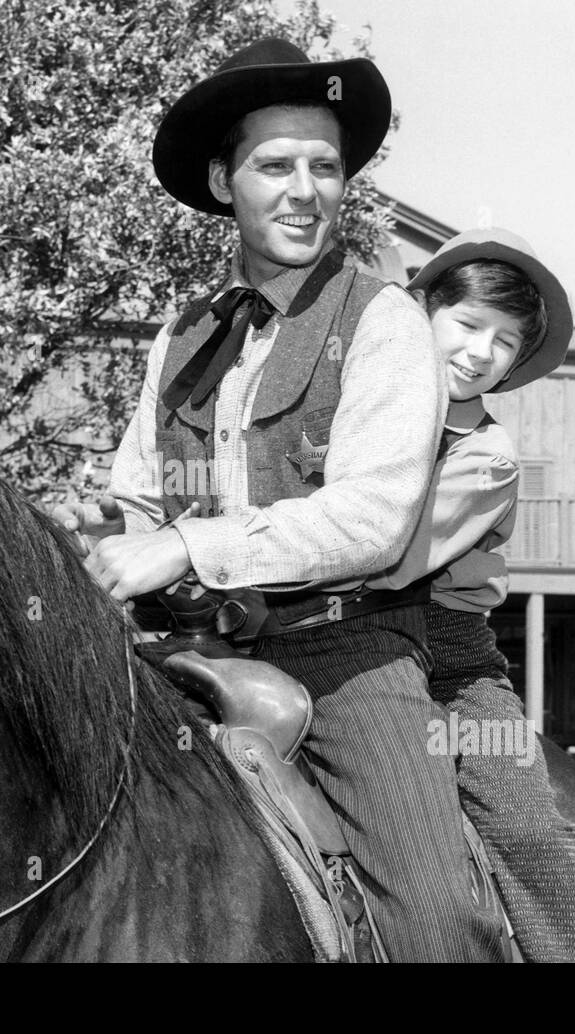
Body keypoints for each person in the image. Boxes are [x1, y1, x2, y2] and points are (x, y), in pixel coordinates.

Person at [54, 37, 504, 961]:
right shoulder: (180, 335)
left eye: (324, 167)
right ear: (224, 182)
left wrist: (187, 546)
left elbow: (372, 520)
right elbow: (142, 496)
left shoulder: (383, 320)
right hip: (187, 649)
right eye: (274, 165)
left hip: (350, 654)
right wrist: (113, 527)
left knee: (435, 916)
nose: (304, 189)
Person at [391, 227, 575, 961]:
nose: (481, 351)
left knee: (525, 826)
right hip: (312, 629)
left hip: (449, 657)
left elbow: (387, 555)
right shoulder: (357, 416)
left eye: (505, 341)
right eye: (467, 324)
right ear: (423, 313)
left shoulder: (488, 456)